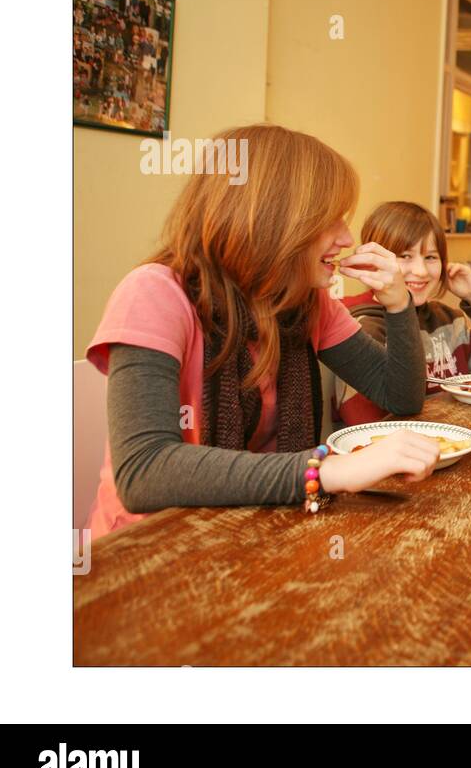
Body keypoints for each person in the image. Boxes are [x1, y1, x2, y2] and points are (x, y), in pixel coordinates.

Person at [84, 124, 439, 538]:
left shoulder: (305, 301)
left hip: (257, 528)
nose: (346, 237)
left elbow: (400, 395)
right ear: (274, 220)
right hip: (149, 549)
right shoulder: (154, 294)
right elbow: (144, 472)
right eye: (331, 220)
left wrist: (398, 303)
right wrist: (323, 469)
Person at [335, 201, 471, 425]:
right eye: (405, 256)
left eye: (431, 257)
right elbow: (365, 423)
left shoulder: (450, 321)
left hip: (456, 441)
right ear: (374, 261)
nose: (421, 271)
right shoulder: (362, 328)